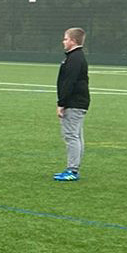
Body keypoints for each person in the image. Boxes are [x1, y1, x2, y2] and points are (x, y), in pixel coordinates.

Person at [55, 27, 90, 181]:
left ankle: (72, 170)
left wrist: (62, 103)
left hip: (74, 102)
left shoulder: (75, 58)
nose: (64, 41)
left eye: (66, 38)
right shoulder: (75, 57)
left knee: (71, 136)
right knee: (76, 135)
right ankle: (73, 169)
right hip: (79, 102)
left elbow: (69, 82)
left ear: (73, 41)